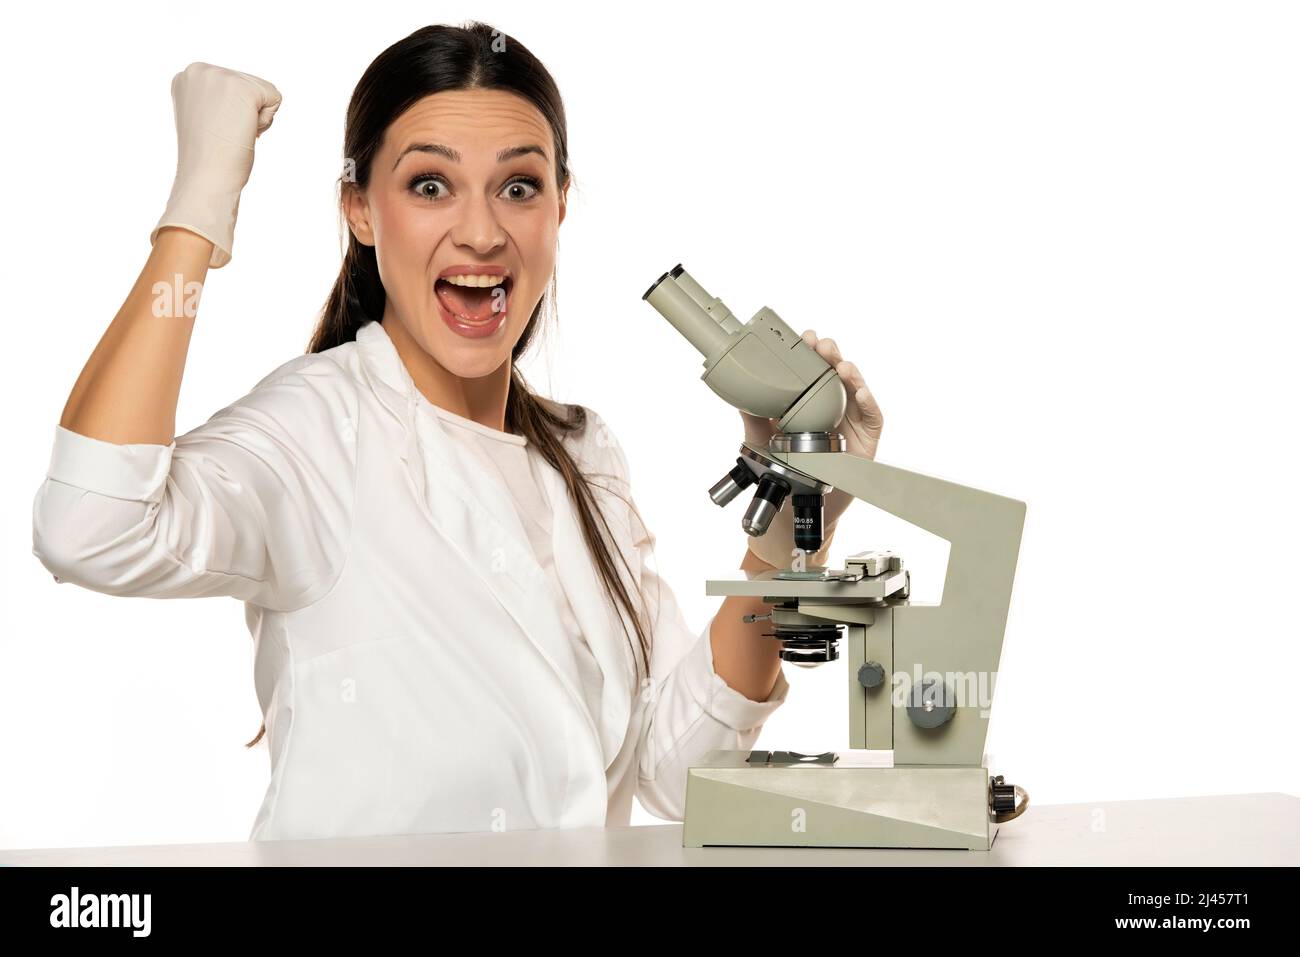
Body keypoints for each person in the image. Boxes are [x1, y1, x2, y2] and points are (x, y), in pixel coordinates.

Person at [31, 22, 884, 841]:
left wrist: (778, 550)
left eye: (519, 187)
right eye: (429, 184)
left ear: (559, 208)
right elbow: (89, 526)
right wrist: (195, 215)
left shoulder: (585, 452)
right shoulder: (313, 433)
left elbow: (673, 768)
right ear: (361, 211)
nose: (482, 231)